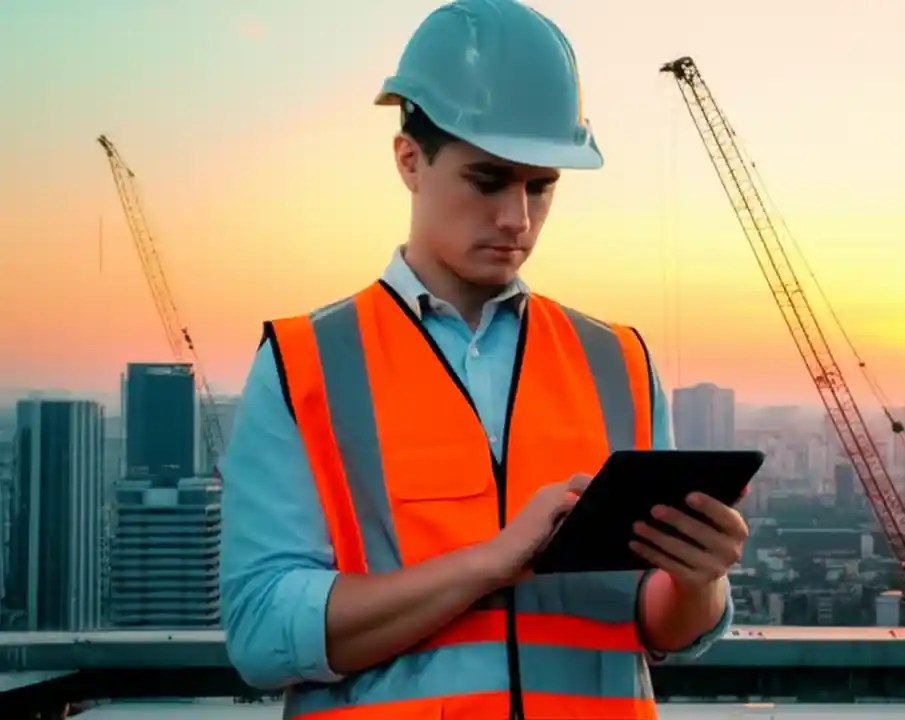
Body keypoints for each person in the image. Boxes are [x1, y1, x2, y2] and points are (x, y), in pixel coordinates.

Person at [217, 1, 747, 718]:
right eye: (488, 180)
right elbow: (260, 635)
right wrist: (489, 563)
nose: (517, 219)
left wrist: (698, 582)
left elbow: (651, 623)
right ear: (410, 160)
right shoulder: (306, 362)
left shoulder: (615, 361)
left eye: (541, 187)